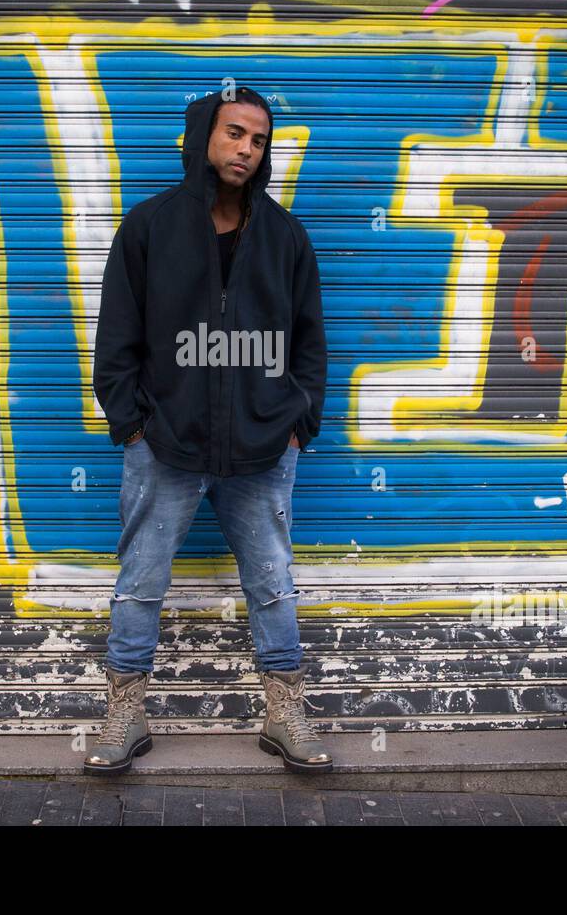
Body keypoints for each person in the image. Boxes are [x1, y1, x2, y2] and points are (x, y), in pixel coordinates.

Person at [87, 85, 329, 773]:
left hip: (260, 448)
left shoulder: (285, 237)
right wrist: (132, 424)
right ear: (203, 137)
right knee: (140, 580)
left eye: (257, 139)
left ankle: (284, 712)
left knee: (273, 581)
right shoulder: (150, 227)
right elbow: (116, 339)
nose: (246, 149)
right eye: (234, 134)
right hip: (165, 444)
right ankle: (125, 713)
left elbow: (310, 342)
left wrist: (297, 423)